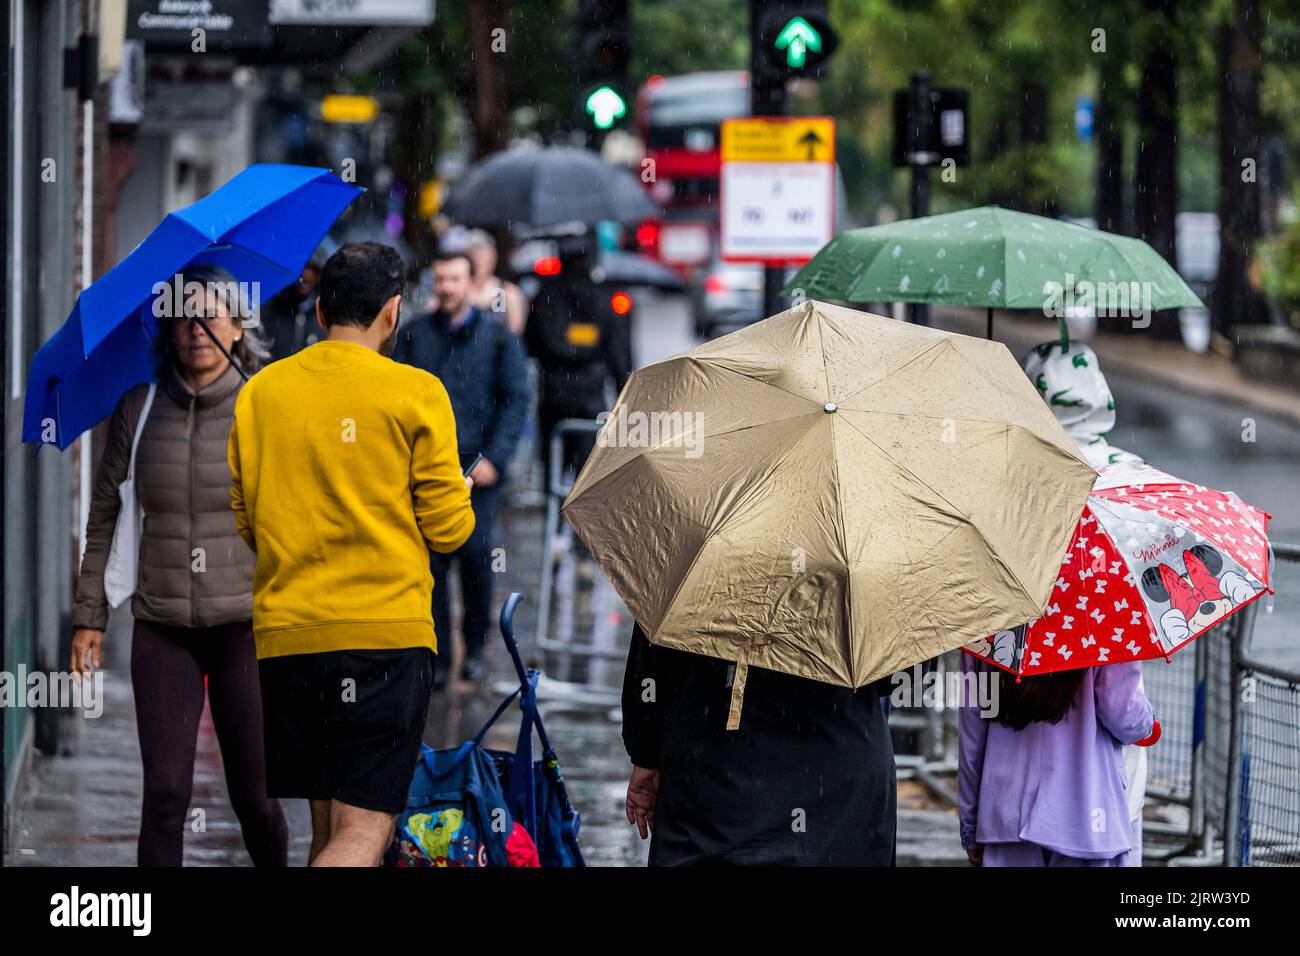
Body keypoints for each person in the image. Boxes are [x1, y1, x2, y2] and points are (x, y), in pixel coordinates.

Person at [228, 242, 476, 866]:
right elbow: (449, 532)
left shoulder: (262, 392)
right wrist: (460, 495)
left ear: (318, 312)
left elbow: (248, 518)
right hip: (383, 642)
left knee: (328, 829)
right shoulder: (417, 393)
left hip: (289, 640)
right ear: (392, 312)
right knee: (365, 832)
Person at [71, 264, 287, 867]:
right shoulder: (138, 410)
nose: (195, 327)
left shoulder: (266, 405)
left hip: (247, 627)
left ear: (240, 325)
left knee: (257, 798)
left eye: (210, 312)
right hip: (162, 627)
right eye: (182, 314)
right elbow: (104, 514)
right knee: (165, 796)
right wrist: (88, 615)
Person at [621, 621, 897, 865]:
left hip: (716, 764)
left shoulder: (703, 564)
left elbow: (655, 637)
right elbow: (903, 675)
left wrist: (645, 750)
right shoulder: (886, 566)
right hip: (842, 775)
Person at [1021, 337, 1148, 862]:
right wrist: (1146, 725)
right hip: (1105, 783)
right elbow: (1119, 701)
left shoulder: (1014, 477)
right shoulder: (1130, 478)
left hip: (1020, 781)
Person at [392, 249, 529, 686]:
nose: (446, 286)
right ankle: (437, 656)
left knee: (475, 561)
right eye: (440, 278)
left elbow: (515, 400)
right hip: (427, 471)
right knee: (431, 566)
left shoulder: (498, 337)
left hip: (479, 471)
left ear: (472, 284)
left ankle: (473, 649)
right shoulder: (414, 334)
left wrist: (495, 459)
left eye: (454, 279)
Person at [958, 656, 1160, 867]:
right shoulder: (1108, 625)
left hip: (1005, 810)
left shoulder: (981, 628)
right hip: (1086, 813)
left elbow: (972, 736)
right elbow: (1122, 712)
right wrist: (1148, 719)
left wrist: (970, 827)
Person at [524, 234, 633, 486]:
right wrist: (624, 396)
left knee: (552, 468)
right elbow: (618, 352)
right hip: (590, 394)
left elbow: (530, 343)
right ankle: (578, 524)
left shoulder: (545, 296)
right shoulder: (604, 297)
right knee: (587, 471)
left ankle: (554, 513)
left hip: (553, 392)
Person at [260, 240, 333, 363]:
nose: (306, 275)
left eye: (314, 269)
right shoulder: (270, 310)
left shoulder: (328, 314)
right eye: (303, 267)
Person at [464, 229, 528, 335]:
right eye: (473, 258)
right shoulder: (458, 290)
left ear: (493, 259)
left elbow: (514, 336)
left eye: (482, 257)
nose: (478, 262)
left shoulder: (504, 291)